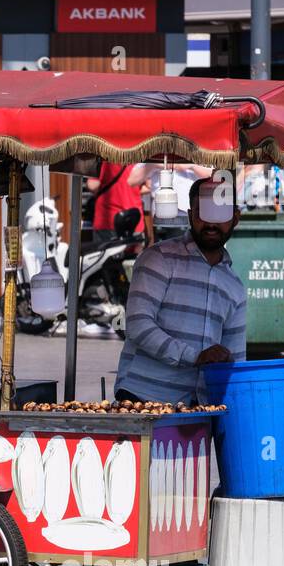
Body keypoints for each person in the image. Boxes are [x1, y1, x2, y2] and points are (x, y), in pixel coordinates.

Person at [114, 176, 246, 404]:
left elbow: (235, 363)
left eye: (219, 213)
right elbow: (137, 325)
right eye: (202, 212)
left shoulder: (235, 287)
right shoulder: (159, 258)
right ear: (190, 214)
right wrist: (194, 357)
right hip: (141, 401)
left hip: (197, 413)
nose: (211, 223)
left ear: (235, 217)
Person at [86, 161, 149, 244]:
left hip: (108, 220)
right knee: (133, 256)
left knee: (107, 255)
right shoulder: (138, 162)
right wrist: (131, 191)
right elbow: (148, 187)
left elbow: (92, 185)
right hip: (134, 221)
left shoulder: (105, 160)